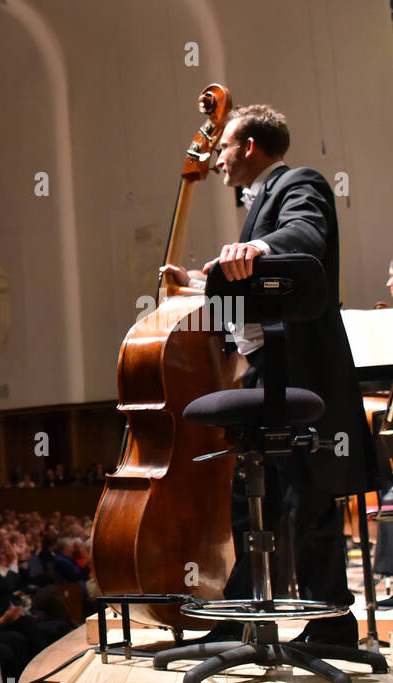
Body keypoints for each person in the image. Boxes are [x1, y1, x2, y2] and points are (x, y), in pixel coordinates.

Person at [161, 104, 377, 646]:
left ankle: (330, 627)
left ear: (250, 146)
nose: (216, 161)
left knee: (307, 499)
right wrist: (194, 284)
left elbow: (305, 236)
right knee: (257, 498)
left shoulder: (299, 182)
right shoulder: (258, 203)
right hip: (269, 372)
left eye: (225, 147)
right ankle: (249, 619)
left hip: (299, 372)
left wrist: (255, 247)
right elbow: (253, 290)